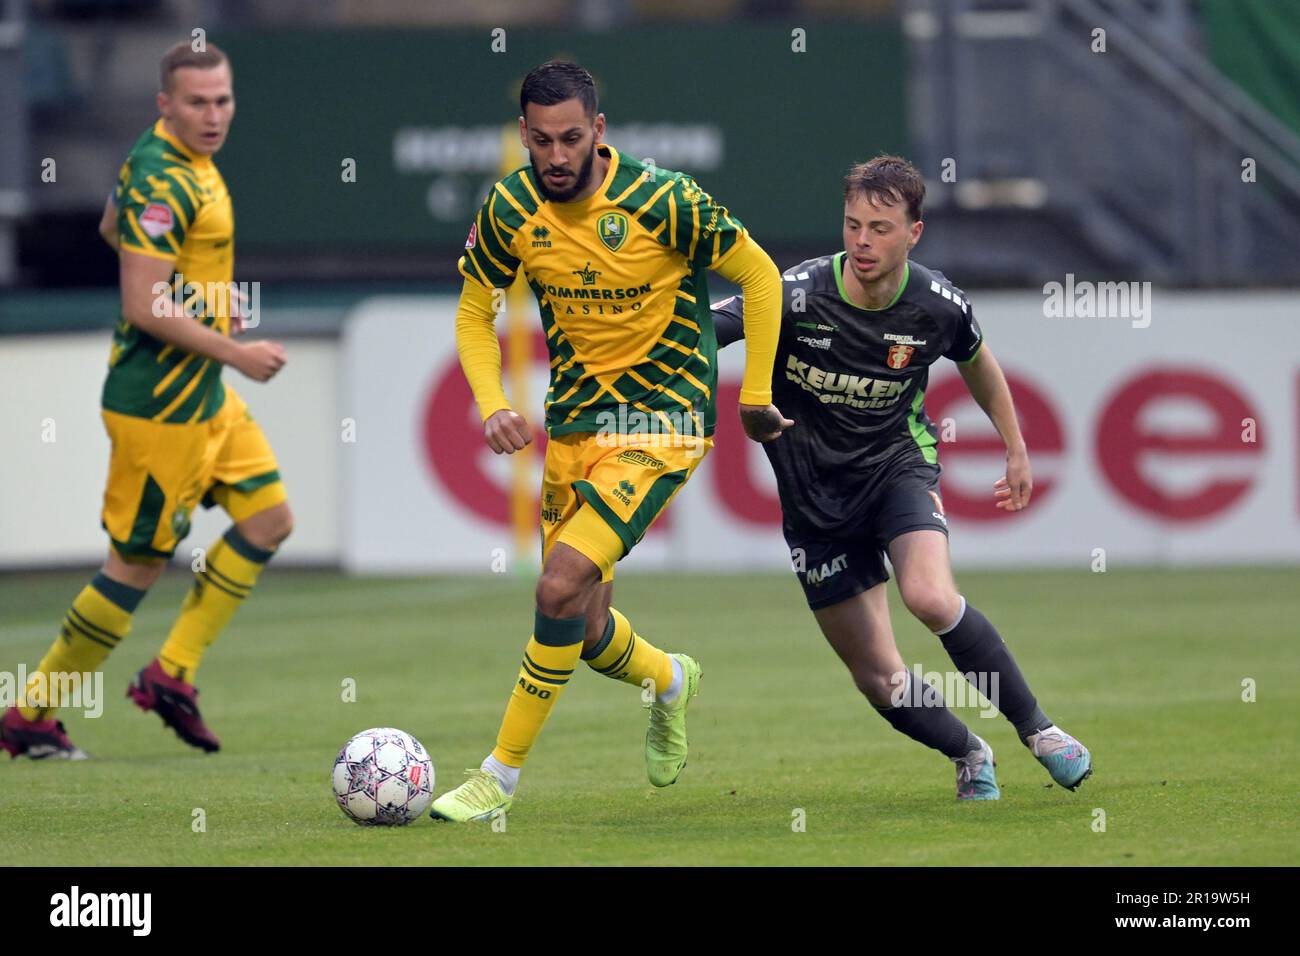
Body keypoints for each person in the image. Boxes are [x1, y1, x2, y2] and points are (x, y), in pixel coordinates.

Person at [429, 61, 789, 822]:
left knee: (555, 584)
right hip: (577, 428)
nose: (556, 157)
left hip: (664, 422)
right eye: (540, 141)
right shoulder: (509, 208)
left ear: (598, 130)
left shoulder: (663, 200)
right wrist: (491, 403)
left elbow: (760, 277)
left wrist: (753, 394)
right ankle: (668, 679)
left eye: (569, 139)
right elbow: (473, 313)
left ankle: (499, 776)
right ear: (522, 136)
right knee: (584, 628)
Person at [711, 155, 1092, 800]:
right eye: (853, 224)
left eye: (880, 228)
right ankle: (969, 753)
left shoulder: (937, 306)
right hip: (814, 501)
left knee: (932, 599)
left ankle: (1042, 731)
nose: (862, 241)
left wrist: (1016, 448)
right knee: (878, 675)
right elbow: (700, 333)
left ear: (913, 233)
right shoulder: (793, 294)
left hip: (895, 468)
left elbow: (977, 363)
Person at [1, 41, 292, 759]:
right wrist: (235, 350)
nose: (214, 114)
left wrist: (206, 308)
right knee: (137, 563)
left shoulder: (174, 157)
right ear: (165, 102)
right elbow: (142, 303)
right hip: (159, 403)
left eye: (223, 100)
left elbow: (112, 228)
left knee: (268, 519)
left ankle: (171, 674)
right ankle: (30, 715)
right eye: (198, 102)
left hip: (202, 397)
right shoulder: (165, 178)